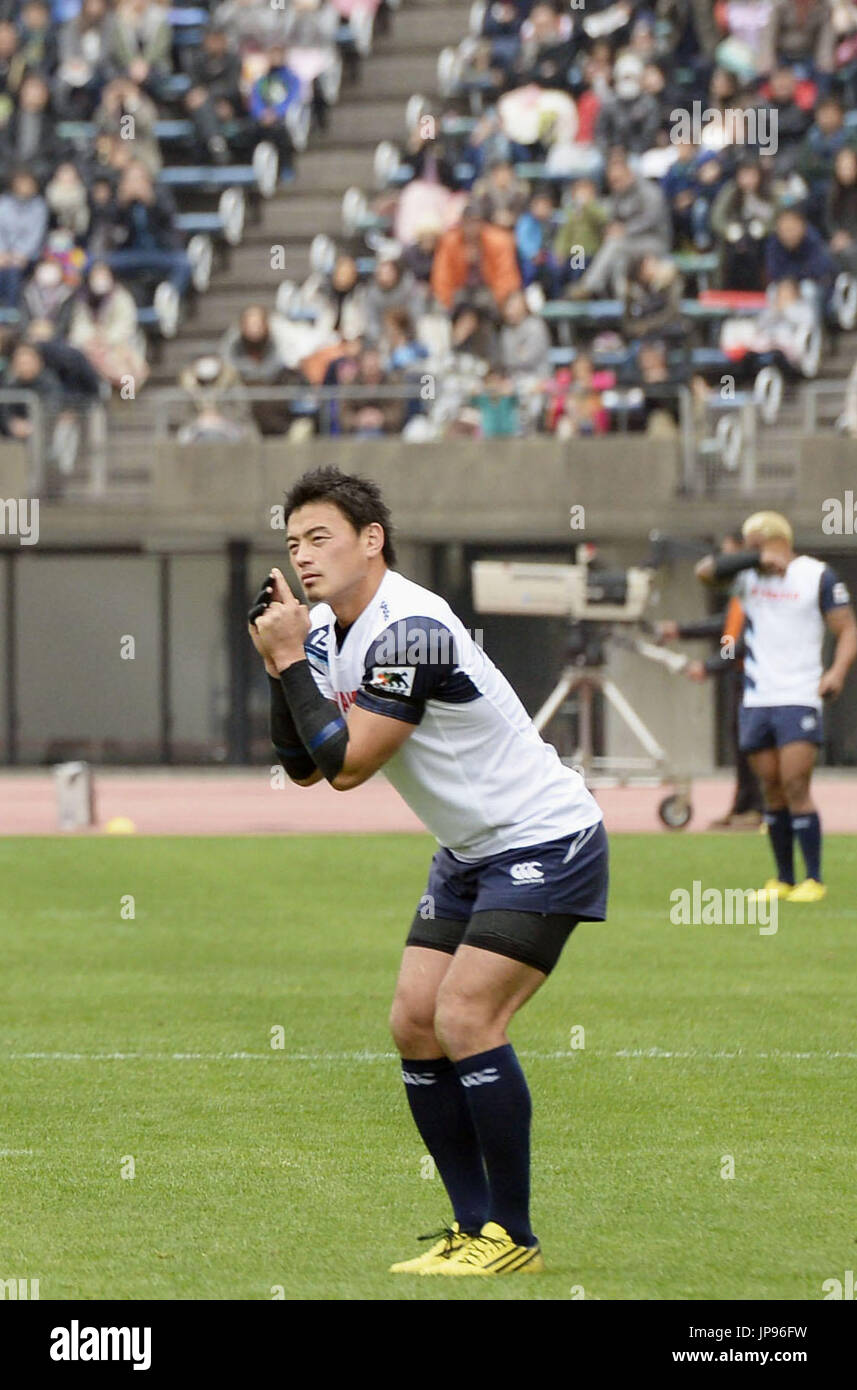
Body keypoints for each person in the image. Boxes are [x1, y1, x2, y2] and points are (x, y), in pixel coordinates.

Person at [249, 466, 608, 1274]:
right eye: (292, 543)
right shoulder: (318, 631)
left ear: (370, 540)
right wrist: (283, 664)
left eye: (320, 538)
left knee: (467, 1019)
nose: (303, 557)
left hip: (544, 840)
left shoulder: (413, 628)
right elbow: (300, 767)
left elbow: (347, 768)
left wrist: (287, 665)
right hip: (470, 851)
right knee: (414, 1021)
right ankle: (469, 1227)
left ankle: (512, 1240)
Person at [695, 511, 856, 901]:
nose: (747, 551)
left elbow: (847, 627)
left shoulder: (816, 575)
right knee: (772, 789)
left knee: (795, 782)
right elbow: (705, 571)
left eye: (753, 544)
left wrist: (836, 672)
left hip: (799, 694)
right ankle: (783, 879)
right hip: (758, 696)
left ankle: (813, 879)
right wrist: (754, 560)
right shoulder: (748, 577)